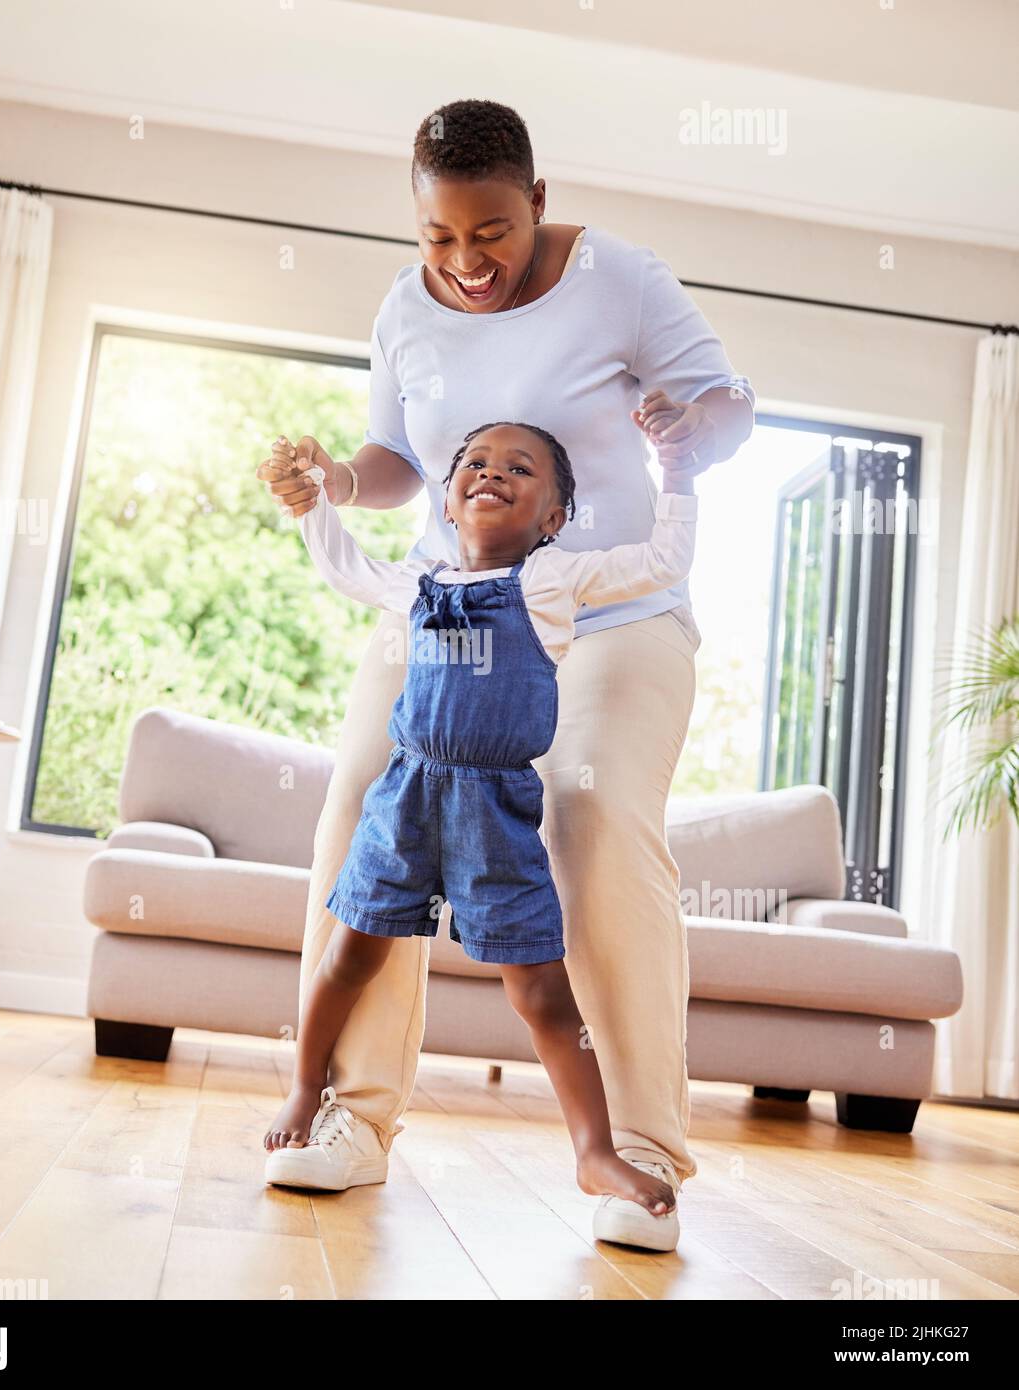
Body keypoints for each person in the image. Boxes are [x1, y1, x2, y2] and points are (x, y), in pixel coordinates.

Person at [255, 98, 754, 1252]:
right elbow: (394, 464)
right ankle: (349, 1112)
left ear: (535, 201)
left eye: (489, 232)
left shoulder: (619, 277)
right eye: (438, 236)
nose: (464, 262)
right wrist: (336, 476)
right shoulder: (401, 306)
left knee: (589, 812)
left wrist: (687, 434)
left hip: (612, 609)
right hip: (451, 611)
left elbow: (725, 405)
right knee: (357, 808)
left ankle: (636, 1154)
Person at [260, 421, 698, 1228]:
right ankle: (305, 1085)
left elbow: (662, 562)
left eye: (520, 469)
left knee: (541, 992)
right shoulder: (421, 577)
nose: (492, 473)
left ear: (555, 515)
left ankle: (597, 1151)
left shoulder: (553, 581)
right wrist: (317, 497)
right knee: (348, 955)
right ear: (447, 495)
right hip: (405, 799)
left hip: (496, 810)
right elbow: (347, 569)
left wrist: (675, 470)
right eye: (474, 462)